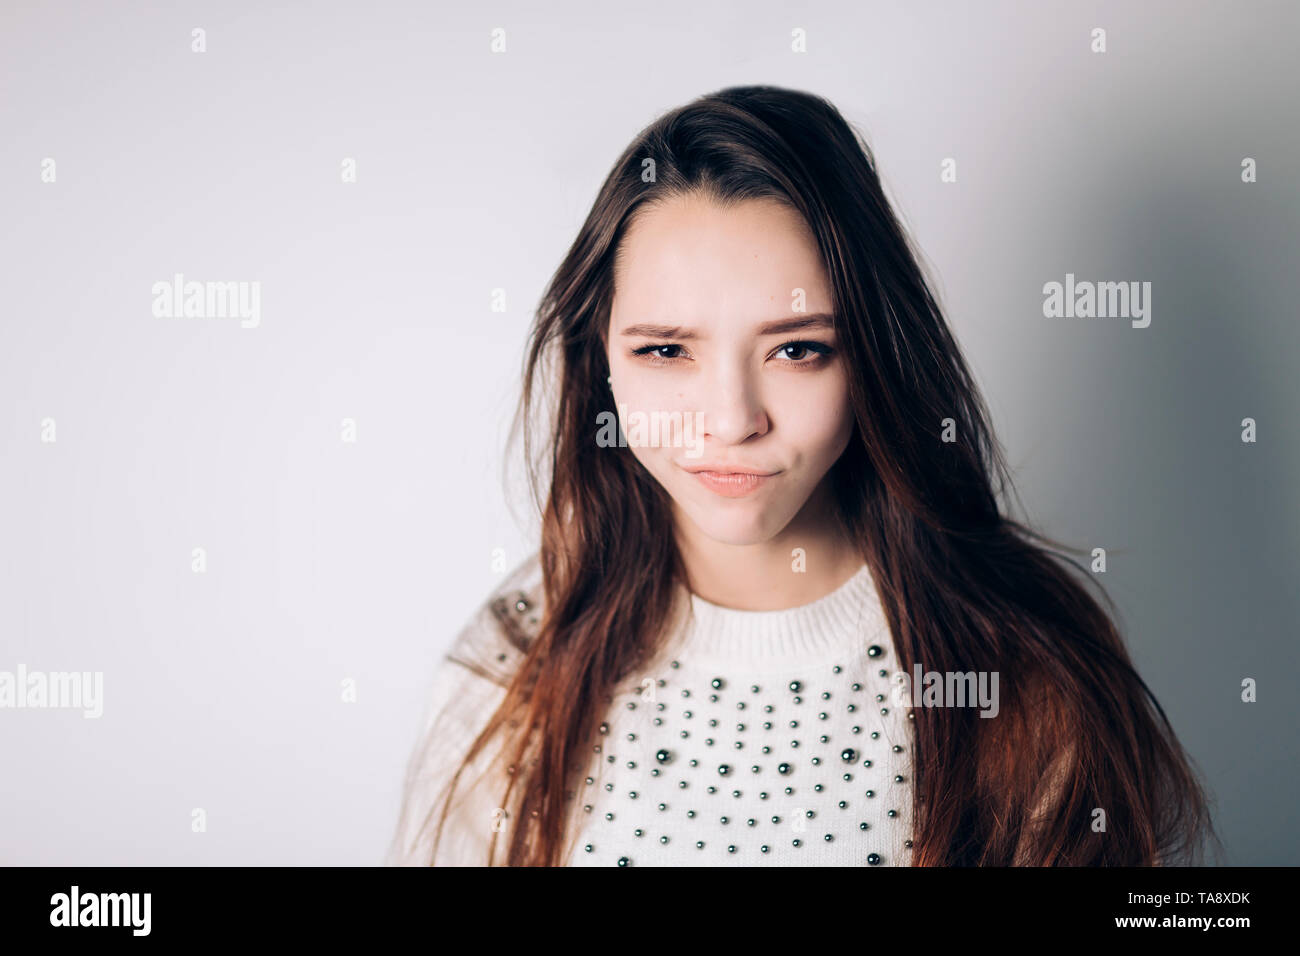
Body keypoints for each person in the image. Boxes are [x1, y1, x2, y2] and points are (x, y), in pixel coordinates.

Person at [388, 85, 1219, 867]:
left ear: (872, 358)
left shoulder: (1023, 671)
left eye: (796, 349)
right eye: (665, 350)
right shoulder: (515, 665)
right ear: (599, 358)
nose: (730, 419)